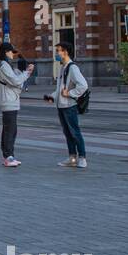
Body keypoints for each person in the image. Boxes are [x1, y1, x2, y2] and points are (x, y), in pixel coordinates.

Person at [45, 40, 89, 169]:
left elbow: (83, 86)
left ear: (65, 52)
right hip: (61, 106)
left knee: (74, 132)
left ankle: (82, 158)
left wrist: (70, 93)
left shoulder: (72, 68)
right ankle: (72, 157)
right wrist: (52, 96)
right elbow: (60, 88)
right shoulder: (62, 67)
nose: (56, 54)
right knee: (68, 133)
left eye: (58, 51)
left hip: (69, 106)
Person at [0, 43, 33, 167]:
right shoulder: (4, 65)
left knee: (10, 129)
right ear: (6, 52)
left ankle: (9, 156)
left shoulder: (4, 65)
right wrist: (27, 73)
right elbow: (15, 81)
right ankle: (8, 157)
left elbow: (15, 79)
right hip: (9, 100)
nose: (12, 55)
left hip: (10, 100)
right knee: (10, 130)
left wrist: (23, 74)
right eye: (11, 52)